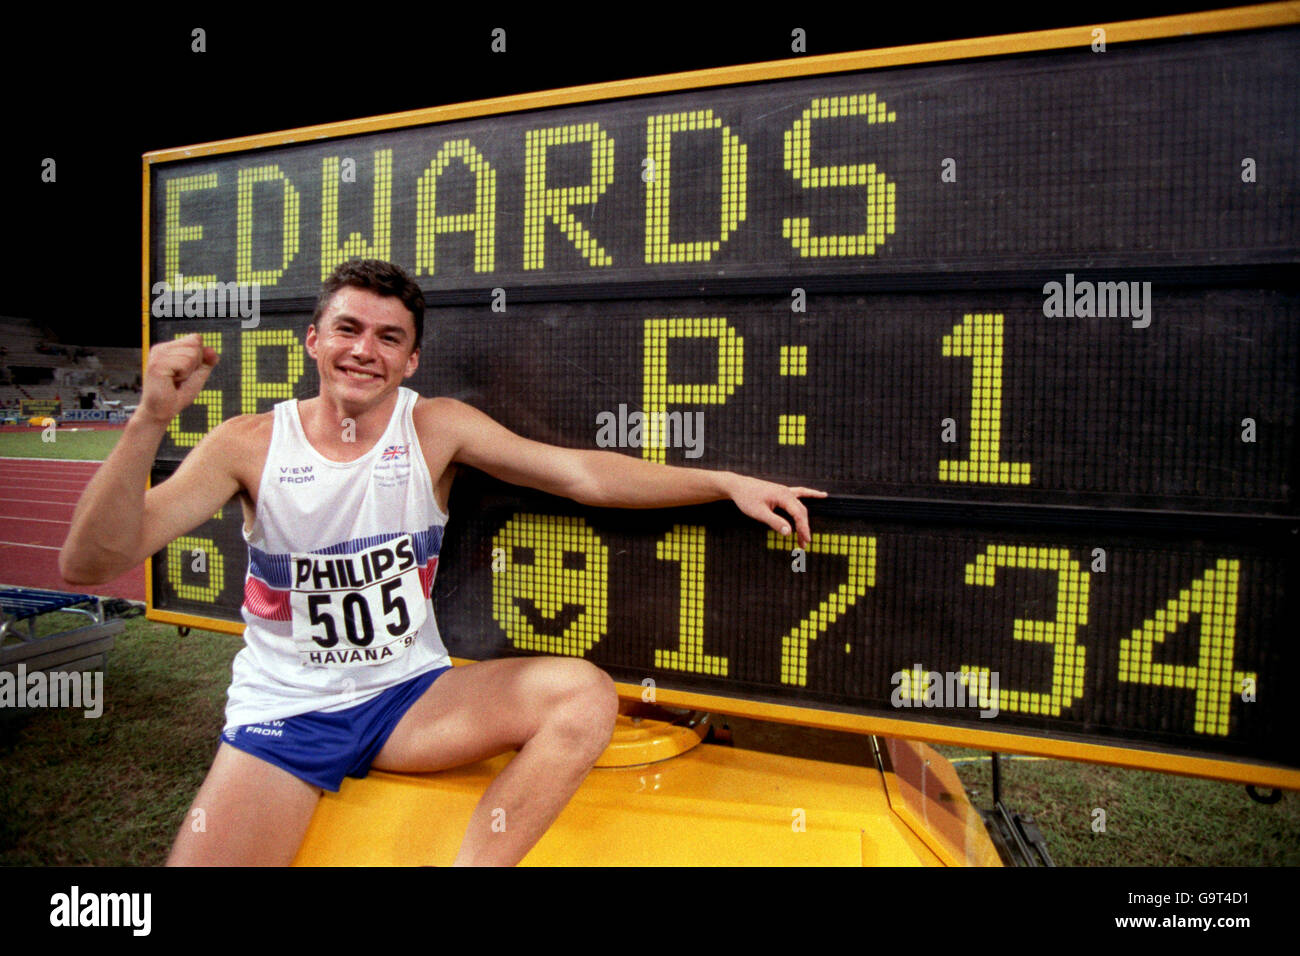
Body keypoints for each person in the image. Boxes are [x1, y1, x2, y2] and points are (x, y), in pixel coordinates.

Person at [59, 259, 825, 866]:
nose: (366, 349)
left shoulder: (436, 429)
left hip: (409, 699)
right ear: (314, 342)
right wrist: (151, 418)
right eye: (348, 329)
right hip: (286, 718)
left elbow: (582, 474)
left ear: (411, 357)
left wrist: (722, 482)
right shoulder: (247, 444)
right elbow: (90, 564)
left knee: (581, 696)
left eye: (389, 337)